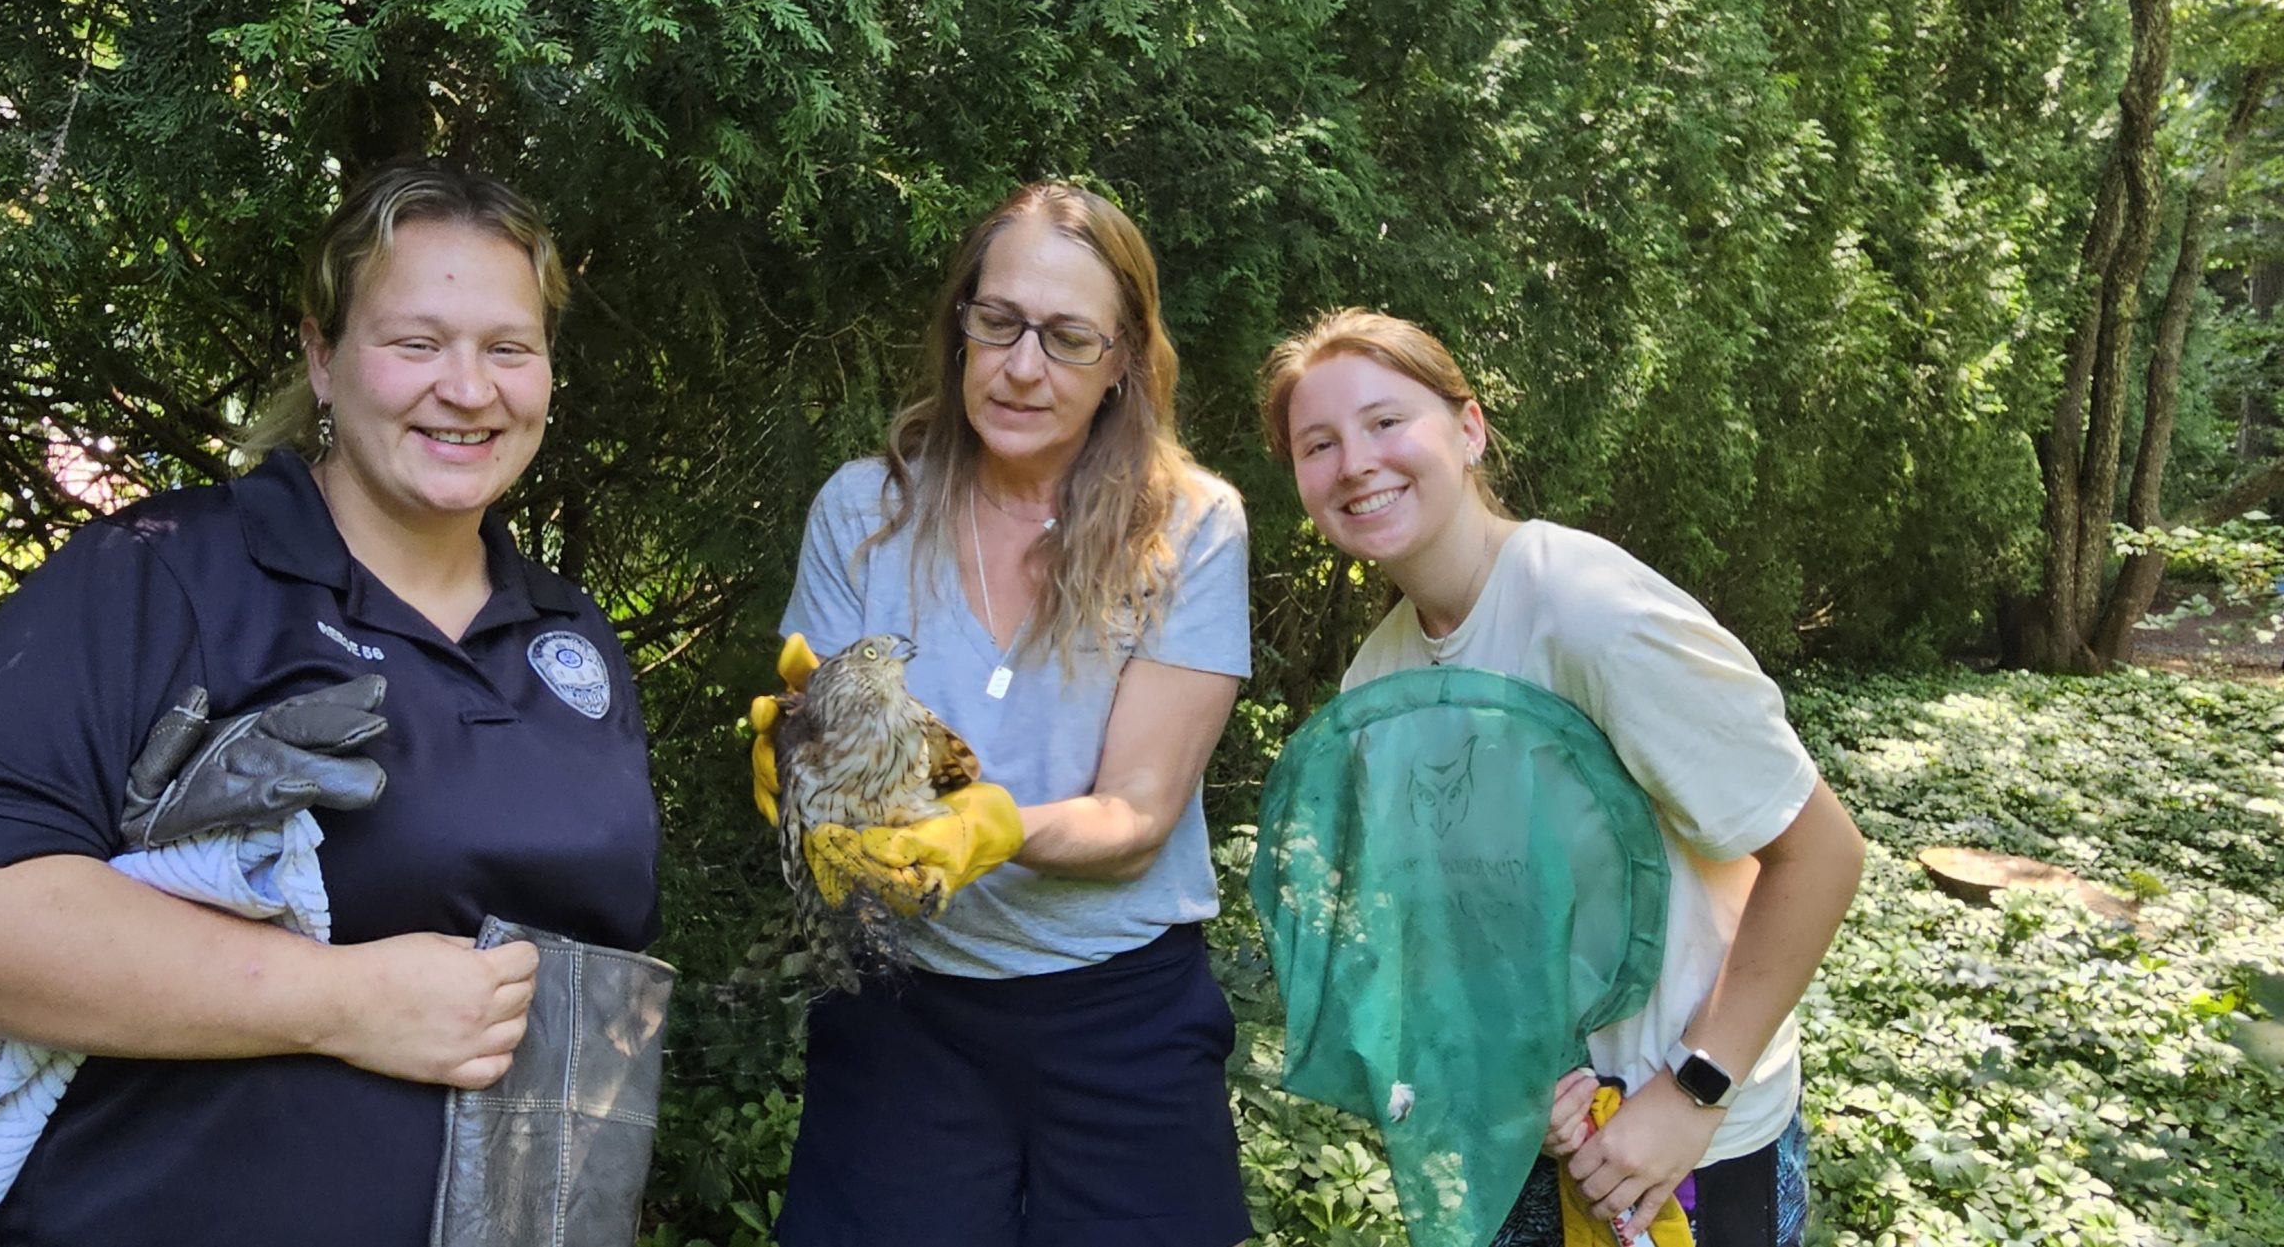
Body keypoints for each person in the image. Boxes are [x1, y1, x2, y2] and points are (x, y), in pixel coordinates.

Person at [0, 158, 661, 1247]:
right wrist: (341, 1002)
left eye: (508, 348)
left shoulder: (571, 637)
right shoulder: (167, 574)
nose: (468, 388)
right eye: (415, 343)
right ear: (323, 358)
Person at [1260, 309, 1864, 1246]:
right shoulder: (1376, 683)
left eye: (1387, 421)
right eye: (1318, 443)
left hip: (1686, 1151)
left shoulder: (1591, 613)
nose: (1354, 462)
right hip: (1527, 1145)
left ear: (1468, 429)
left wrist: (1692, 1091)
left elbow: (1818, 852)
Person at [750, 181, 1255, 1247]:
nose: (1024, 366)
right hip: (902, 1007)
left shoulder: (1192, 527)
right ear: (960, 328)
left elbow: (1139, 810)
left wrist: (993, 828)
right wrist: (804, 780)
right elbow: (834, 761)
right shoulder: (860, 511)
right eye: (999, 323)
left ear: (1123, 358)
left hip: (1123, 1016)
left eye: (1069, 338)